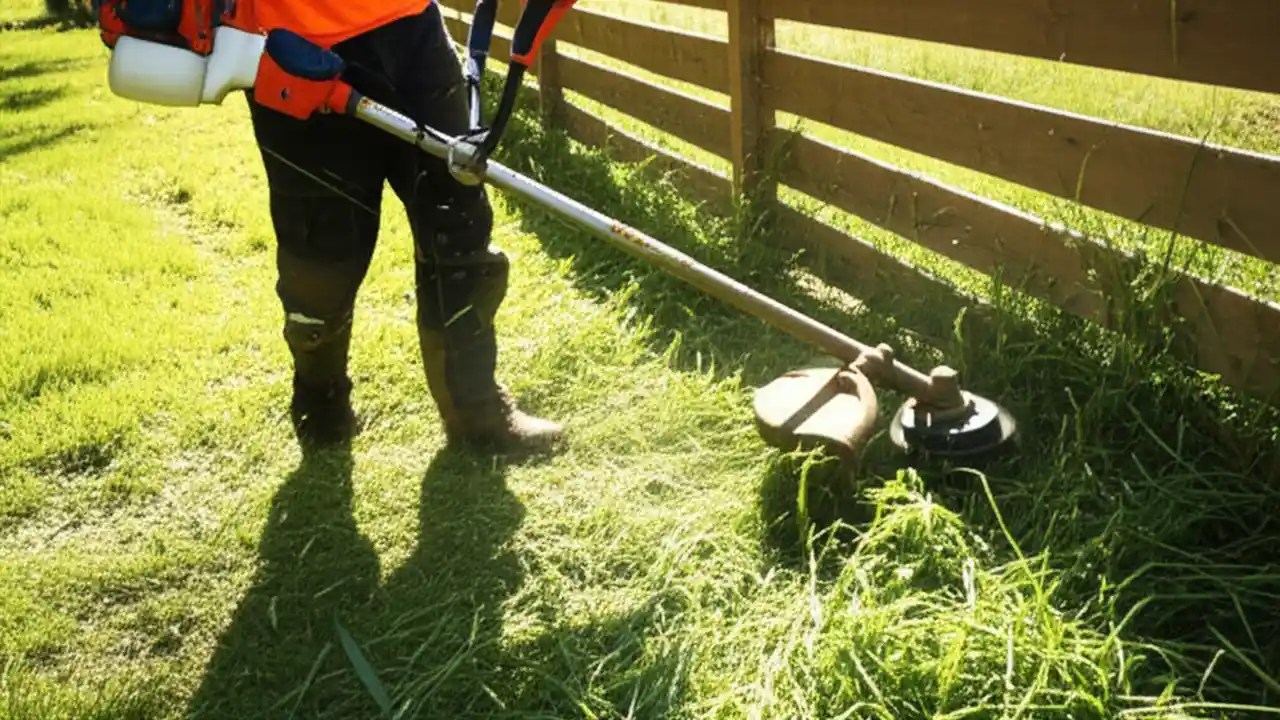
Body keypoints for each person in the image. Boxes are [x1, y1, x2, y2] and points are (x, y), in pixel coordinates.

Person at [234, 0, 564, 453]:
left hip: (412, 30)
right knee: (321, 252)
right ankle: (321, 404)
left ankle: (477, 414)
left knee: (458, 222)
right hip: (291, 43)